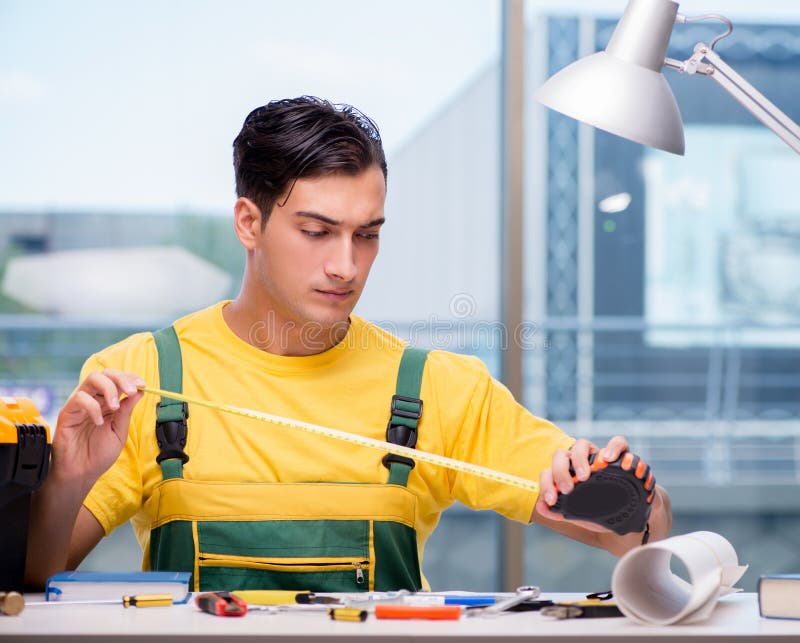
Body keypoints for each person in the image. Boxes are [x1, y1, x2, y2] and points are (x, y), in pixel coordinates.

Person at [26, 96, 672, 591]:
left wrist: (628, 493)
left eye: (367, 234)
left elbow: (635, 537)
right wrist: (67, 479)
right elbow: (33, 577)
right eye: (317, 231)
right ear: (249, 222)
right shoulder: (139, 377)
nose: (347, 265)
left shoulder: (437, 387)